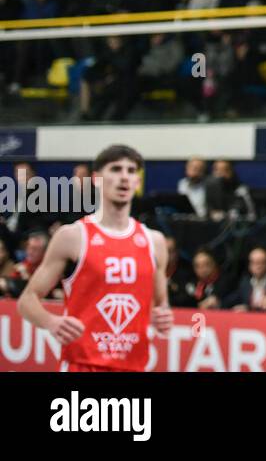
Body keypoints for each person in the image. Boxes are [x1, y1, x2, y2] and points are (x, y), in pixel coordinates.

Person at [17, 145, 173, 371]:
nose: (124, 177)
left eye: (131, 171)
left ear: (138, 182)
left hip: (135, 365)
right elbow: (27, 300)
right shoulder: (73, 236)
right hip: (84, 364)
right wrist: (51, 322)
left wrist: (164, 316)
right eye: (116, 169)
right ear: (97, 179)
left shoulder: (154, 241)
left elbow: (161, 304)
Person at [225, 246, 266, 311]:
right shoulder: (245, 282)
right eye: (254, 263)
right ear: (249, 265)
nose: (258, 266)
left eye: (261, 262)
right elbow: (230, 300)